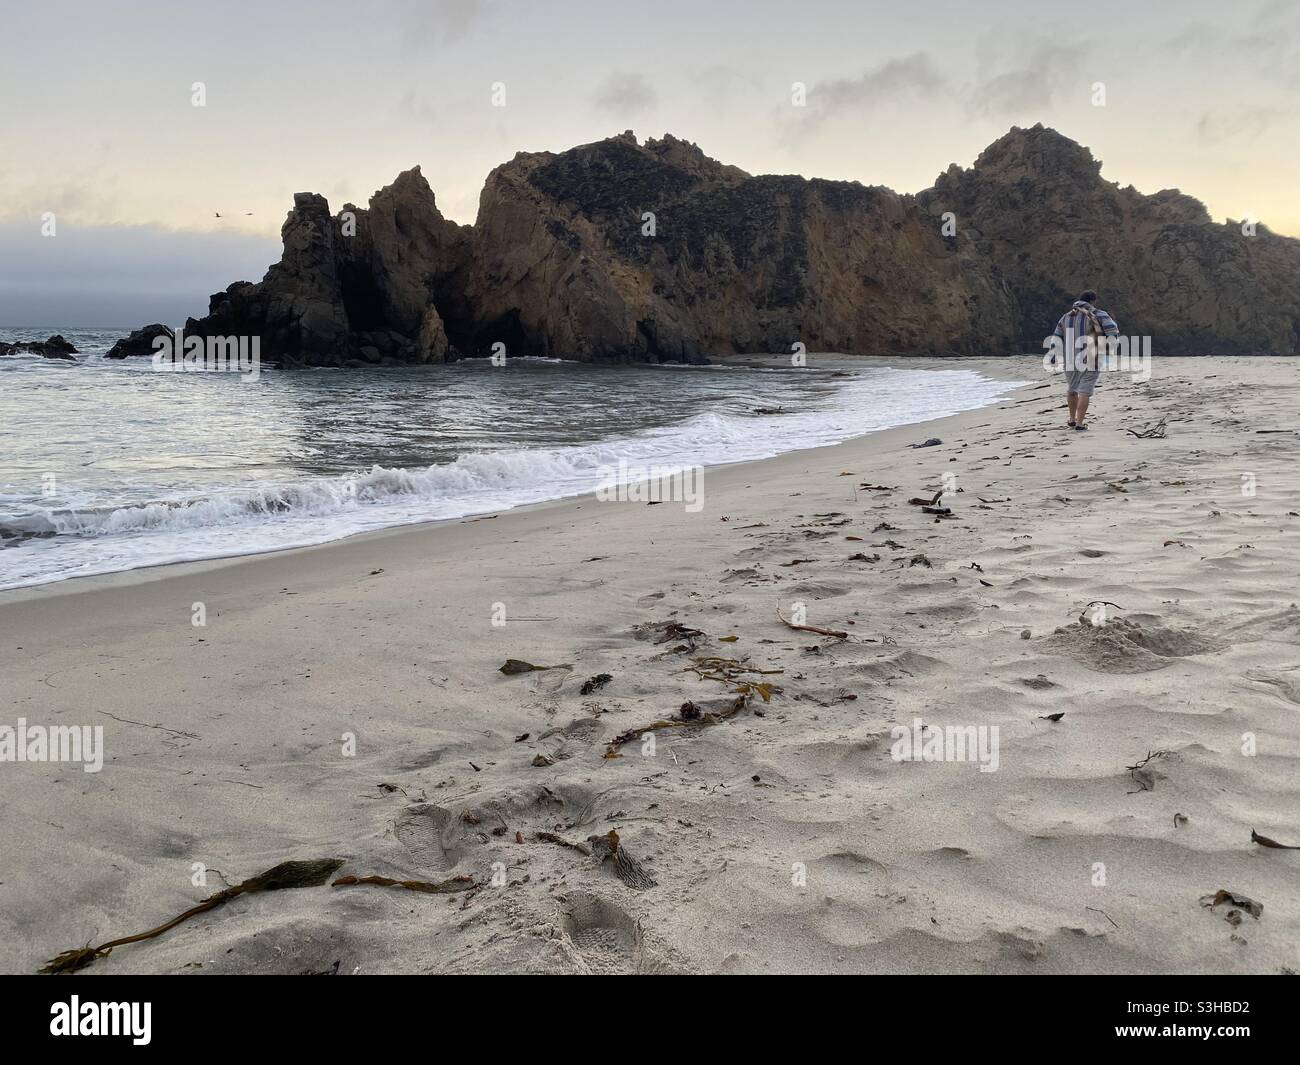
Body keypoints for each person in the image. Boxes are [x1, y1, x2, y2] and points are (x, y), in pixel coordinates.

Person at [1052, 290, 1119, 430]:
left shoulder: (1066, 317)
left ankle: (1071, 419)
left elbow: (1057, 337)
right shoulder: (1100, 315)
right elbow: (1112, 331)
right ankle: (1080, 423)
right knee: (1085, 390)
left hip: (1070, 358)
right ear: (1093, 301)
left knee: (1072, 389)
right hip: (1091, 357)